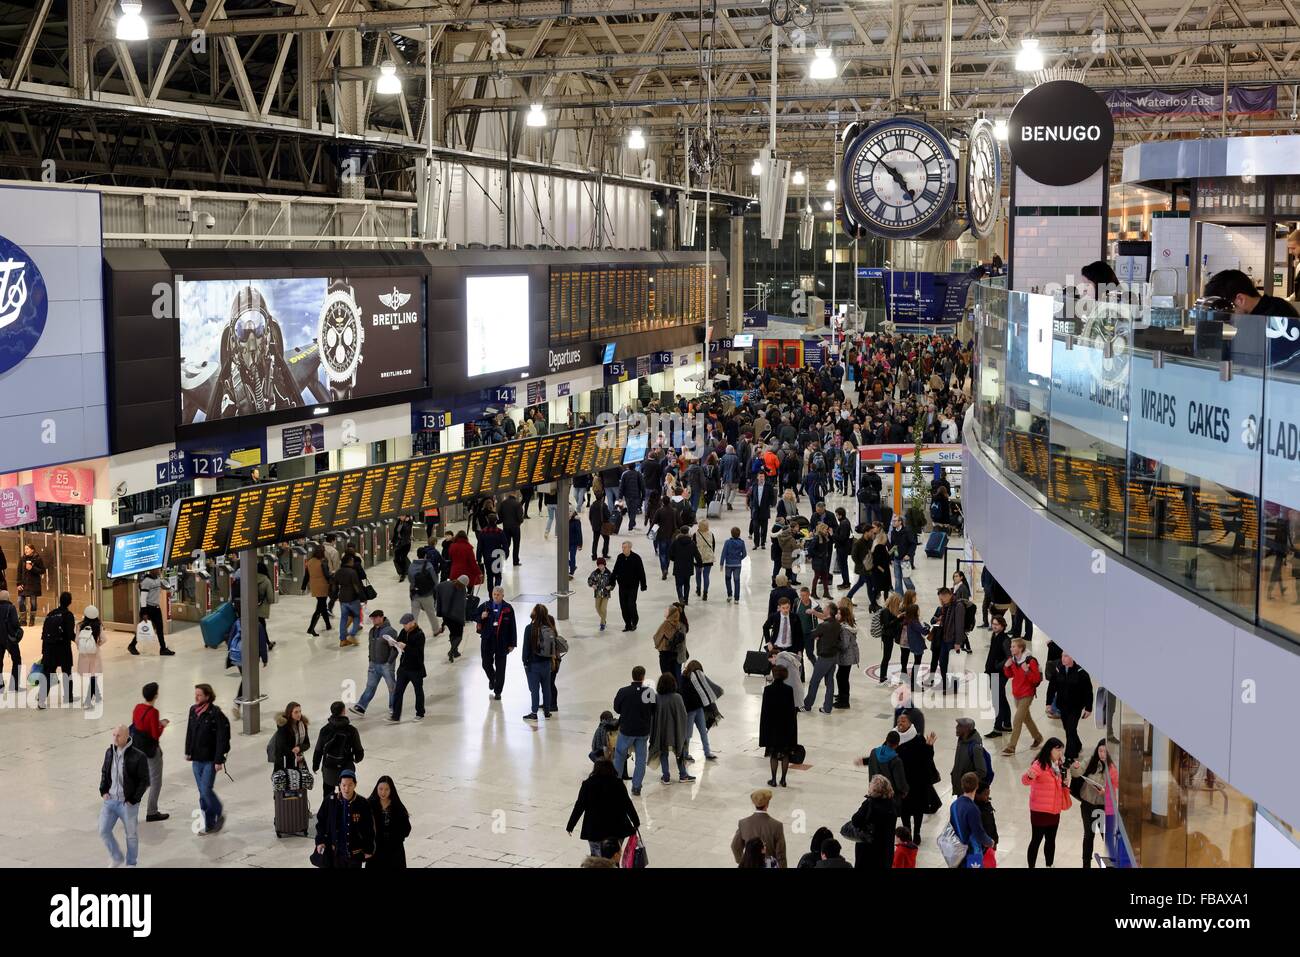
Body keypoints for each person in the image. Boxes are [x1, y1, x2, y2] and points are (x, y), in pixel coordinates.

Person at [566, 758, 641, 858]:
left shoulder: (588, 784)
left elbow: (579, 806)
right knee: (613, 859)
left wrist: (571, 825)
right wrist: (636, 822)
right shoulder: (618, 784)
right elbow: (628, 804)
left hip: (594, 829)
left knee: (597, 860)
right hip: (617, 828)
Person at [98, 725, 149, 867]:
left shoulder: (138, 756)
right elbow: (104, 772)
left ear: (127, 736)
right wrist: (103, 791)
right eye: (113, 734)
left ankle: (131, 863)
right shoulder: (109, 752)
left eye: (118, 735)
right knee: (103, 830)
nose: (115, 738)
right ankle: (116, 857)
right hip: (110, 801)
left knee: (131, 835)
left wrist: (134, 799)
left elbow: (144, 781)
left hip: (127, 803)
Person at [184, 683, 230, 834]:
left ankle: (218, 811)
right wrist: (188, 751)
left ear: (208, 696)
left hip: (210, 760)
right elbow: (190, 732)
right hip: (196, 759)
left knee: (205, 789)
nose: (196, 697)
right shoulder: (193, 710)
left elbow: (221, 738)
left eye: (199, 695)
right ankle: (210, 824)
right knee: (202, 793)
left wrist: (218, 760)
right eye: (195, 694)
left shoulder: (215, 714)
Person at [1023, 738, 1071, 868]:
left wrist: (1065, 784)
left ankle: (1049, 865)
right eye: (1057, 749)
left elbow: (1057, 785)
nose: (1060, 752)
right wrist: (1029, 776)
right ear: (1049, 749)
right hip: (1040, 810)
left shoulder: (1059, 765)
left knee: (1051, 840)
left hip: (1054, 809)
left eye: (1061, 750)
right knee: (1036, 840)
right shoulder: (1039, 764)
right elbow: (1025, 780)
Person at [314, 769, 375, 868]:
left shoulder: (362, 803)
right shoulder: (330, 801)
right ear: (339, 785)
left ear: (355, 785)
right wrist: (320, 841)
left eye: (350, 785)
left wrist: (369, 849)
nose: (346, 789)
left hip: (355, 854)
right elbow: (321, 821)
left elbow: (369, 828)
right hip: (336, 853)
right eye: (344, 785)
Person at [1072, 740, 1118, 868]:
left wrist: (1105, 792)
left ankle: (1111, 864)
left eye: (1105, 751)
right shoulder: (1090, 761)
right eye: (1100, 750)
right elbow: (1076, 773)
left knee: (1106, 837)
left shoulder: (1112, 768)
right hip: (1087, 804)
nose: (1102, 754)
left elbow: (1117, 789)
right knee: (1088, 835)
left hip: (1103, 807)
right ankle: (1086, 864)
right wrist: (1075, 767)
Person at [895, 716, 940, 842]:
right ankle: (907, 832)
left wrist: (929, 746)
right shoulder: (895, 737)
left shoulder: (918, 738)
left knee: (917, 809)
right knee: (904, 810)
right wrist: (867, 760)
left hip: (918, 781)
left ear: (910, 724)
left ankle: (917, 833)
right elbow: (883, 752)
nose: (900, 723)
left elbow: (927, 757)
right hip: (903, 782)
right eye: (898, 721)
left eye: (903, 721)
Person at [612, 666, 655, 797]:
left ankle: (616, 784)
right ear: (643, 677)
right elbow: (653, 710)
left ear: (633, 676)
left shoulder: (623, 691)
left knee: (619, 756)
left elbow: (617, 709)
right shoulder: (649, 692)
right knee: (641, 760)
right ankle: (636, 787)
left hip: (626, 730)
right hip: (642, 731)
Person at [132, 682, 170, 822]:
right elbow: (155, 735)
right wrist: (162, 725)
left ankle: (130, 806)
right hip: (150, 751)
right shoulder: (154, 712)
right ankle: (152, 812)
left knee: (142, 780)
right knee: (155, 781)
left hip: (137, 749)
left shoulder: (137, 708)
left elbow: (137, 725)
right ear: (156, 695)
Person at [350, 610, 398, 717]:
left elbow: (395, 649)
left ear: (382, 617)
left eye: (376, 618)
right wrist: (370, 659)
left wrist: (389, 662)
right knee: (370, 686)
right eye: (372, 618)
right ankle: (361, 707)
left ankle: (394, 708)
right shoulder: (372, 630)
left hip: (386, 665)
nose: (374, 620)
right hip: (373, 664)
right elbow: (371, 646)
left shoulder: (390, 631)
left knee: (392, 687)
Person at [313, 701, 364, 801]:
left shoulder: (325, 730)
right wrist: (356, 759)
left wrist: (315, 765)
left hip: (329, 768)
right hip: (346, 768)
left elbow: (318, 749)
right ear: (343, 711)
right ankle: (345, 813)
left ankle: (328, 813)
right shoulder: (351, 730)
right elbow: (358, 750)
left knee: (328, 794)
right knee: (346, 794)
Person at [649, 673, 694, 784]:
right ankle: (683, 775)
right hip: (676, 733)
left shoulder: (656, 698)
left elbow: (652, 717)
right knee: (679, 752)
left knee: (664, 753)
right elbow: (683, 715)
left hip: (662, 733)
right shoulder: (677, 698)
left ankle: (666, 777)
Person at [1001, 637, 1044, 755]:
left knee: (1017, 720)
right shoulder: (1013, 659)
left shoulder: (1030, 661)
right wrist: (1006, 666)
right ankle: (1038, 737)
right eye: (1011, 646)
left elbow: (1035, 679)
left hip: (1027, 694)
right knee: (1026, 718)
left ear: (1020, 648)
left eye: (1013, 646)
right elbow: (1010, 675)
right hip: (1017, 693)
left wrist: (1027, 671)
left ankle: (1011, 746)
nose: (1011, 648)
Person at [1202, 267, 1299, 319]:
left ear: (1240, 299)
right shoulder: (1253, 315)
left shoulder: (1276, 314)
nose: (1227, 317)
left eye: (1227, 310)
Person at [760, 665, 799, 788]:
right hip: (786, 727)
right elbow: (791, 712)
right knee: (785, 754)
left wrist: (763, 732)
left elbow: (764, 712)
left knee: (773, 755)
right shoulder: (789, 690)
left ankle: (773, 779)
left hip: (772, 728)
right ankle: (783, 779)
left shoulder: (768, 690)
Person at [848, 774, 898, 869]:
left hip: (868, 849)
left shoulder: (869, 805)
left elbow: (855, 820)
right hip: (885, 847)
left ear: (874, 790)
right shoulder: (892, 804)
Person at [36, 591, 77, 709]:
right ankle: (68, 696)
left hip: (49, 648)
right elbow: (70, 634)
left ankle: (41, 699)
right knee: (67, 672)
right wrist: (80, 641)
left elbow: (44, 634)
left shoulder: (50, 614)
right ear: (70, 602)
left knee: (48, 673)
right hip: (63, 648)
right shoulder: (68, 615)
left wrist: (44, 651)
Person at [1051, 652, 1093, 763]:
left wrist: (1088, 708)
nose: (1063, 659)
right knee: (1069, 729)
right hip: (1062, 706)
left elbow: (1088, 692)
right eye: (1062, 656)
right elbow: (1052, 686)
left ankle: (1070, 755)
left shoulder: (1081, 672)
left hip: (1076, 707)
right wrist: (1048, 703)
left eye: (1066, 656)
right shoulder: (1058, 670)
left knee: (1070, 729)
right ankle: (1077, 744)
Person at [477, 586, 517, 700]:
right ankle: (492, 678)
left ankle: (498, 691)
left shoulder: (508, 609)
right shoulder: (485, 606)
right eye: (494, 594)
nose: (496, 596)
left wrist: (512, 643)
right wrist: (481, 616)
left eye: (498, 594)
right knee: (485, 664)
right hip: (487, 639)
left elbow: (512, 627)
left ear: (503, 595)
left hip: (502, 642)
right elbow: (472, 614)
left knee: (501, 668)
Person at [730, 789, 787, 868]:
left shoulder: (743, 823)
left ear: (754, 804)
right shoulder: (777, 826)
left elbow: (735, 846)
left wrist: (743, 860)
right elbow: (781, 854)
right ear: (767, 804)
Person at [521, 604, 560, 721]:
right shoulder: (550, 628)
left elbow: (526, 647)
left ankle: (534, 712)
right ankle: (547, 712)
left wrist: (525, 661)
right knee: (546, 688)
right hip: (547, 663)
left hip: (534, 664)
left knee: (534, 689)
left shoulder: (529, 628)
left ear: (535, 614)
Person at [802, 603, 841, 714]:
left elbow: (813, 635)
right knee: (830, 682)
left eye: (825, 608)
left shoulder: (823, 626)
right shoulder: (837, 624)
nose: (823, 609)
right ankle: (827, 707)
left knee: (814, 681)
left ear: (828, 611)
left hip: (824, 657)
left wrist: (818, 636)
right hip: (833, 656)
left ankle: (807, 705)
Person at [951, 772, 995, 868]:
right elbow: (979, 833)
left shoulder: (954, 805)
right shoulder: (973, 809)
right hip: (971, 852)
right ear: (977, 786)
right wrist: (990, 842)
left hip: (957, 851)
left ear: (962, 785)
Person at [367, 775, 411, 868]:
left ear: (391, 790)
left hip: (394, 850)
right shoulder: (370, 804)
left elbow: (406, 829)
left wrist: (396, 838)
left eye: (387, 789)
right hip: (376, 849)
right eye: (381, 789)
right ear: (376, 788)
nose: (383, 792)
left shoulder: (397, 806)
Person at [681, 660, 721, 763]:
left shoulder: (700, 679)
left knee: (703, 731)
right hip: (689, 711)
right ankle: (685, 754)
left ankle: (707, 752)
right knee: (688, 734)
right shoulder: (684, 679)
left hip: (698, 709)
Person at [389, 613, 427, 722]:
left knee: (418, 691)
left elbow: (418, 653)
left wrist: (406, 646)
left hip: (416, 669)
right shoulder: (403, 632)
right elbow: (398, 644)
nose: (404, 626)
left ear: (412, 622)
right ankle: (396, 716)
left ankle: (420, 713)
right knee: (398, 691)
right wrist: (394, 645)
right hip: (403, 668)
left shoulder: (420, 635)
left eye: (405, 624)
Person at [858, 730, 909, 804]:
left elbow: (871, 770)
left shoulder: (874, 752)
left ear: (886, 740)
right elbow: (899, 782)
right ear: (897, 744)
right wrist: (905, 790)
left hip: (875, 792)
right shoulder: (896, 760)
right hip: (889, 797)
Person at [130, 568, 174, 655]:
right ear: (152, 570)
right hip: (148, 608)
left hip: (156, 608)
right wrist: (144, 613)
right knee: (142, 629)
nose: (159, 570)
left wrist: (167, 587)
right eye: (157, 569)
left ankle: (163, 649)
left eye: (159, 569)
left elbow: (160, 586)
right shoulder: (146, 581)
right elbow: (143, 598)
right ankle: (132, 646)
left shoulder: (157, 579)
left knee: (160, 629)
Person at [983, 616, 1013, 737]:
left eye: (997, 624)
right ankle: (1007, 724)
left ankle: (997, 728)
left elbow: (1009, 657)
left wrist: (998, 665)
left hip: (1000, 673)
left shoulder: (1005, 639)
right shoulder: (995, 636)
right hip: (993, 672)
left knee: (997, 701)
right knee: (1001, 698)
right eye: (993, 623)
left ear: (1003, 626)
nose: (994, 626)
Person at [612, 541, 648, 632]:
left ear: (630, 548)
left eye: (625, 547)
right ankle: (627, 624)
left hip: (633, 586)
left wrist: (643, 585)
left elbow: (641, 572)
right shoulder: (620, 557)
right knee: (623, 606)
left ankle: (634, 622)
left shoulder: (636, 558)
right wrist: (611, 582)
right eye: (622, 547)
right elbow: (615, 570)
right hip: (622, 587)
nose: (623, 549)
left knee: (631, 605)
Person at [331, 554, 365, 648]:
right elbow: (356, 586)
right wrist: (362, 597)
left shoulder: (338, 572)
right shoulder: (352, 572)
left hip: (342, 598)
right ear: (349, 561)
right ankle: (352, 635)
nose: (353, 562)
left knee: (343, 618)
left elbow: (334, 585)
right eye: (352, 560)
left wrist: (334, 596)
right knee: (356, 617)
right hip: (352, 598)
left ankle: (343, 640)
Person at [434, 574, 470, 663]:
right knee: (459, 636)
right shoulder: (462, 590)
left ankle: (455, 651)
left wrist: (439, 601)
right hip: (456, 617)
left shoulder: (444, 584)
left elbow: (437, 588)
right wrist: (463, 618)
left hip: (446, 615)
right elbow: (462, 606)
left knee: (453, 633)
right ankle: (452, 651)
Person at [76, 604, 104, 710]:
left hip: (84, 655)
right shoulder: (98, 626)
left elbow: (77, 640)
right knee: (93, 676)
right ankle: (88, 701)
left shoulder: (79, 625)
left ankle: (98, 696)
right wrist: (96, 645)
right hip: (94, 655)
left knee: (92, 677)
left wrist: (82, 647)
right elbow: (104, 639)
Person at [950, 717, 989, 795]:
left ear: (967, 729)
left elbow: (982, 771)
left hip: (968, 792)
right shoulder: (961, 740)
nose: (956, 727)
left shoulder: (975, 747)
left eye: (960, 726)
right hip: (961, 788)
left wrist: (966, 780)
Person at [407, 546, 440, 635]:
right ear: (425, 555)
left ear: (417, 555)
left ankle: (413, 632)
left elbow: (410, 579)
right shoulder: (429, 565)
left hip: (415, 594)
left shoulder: (411, 566)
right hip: (427, 594)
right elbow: (435, 580)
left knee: (414, 614)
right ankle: (436, 630)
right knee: (431, 613)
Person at [652, 605, 687, 685]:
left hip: (665, 654)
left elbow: (656, 638)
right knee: (675, 675)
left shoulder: (666, 624)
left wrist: (658, 645)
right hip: (675, 654)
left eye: (667, 611)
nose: (665, 611)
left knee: (666, 676)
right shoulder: (681, 625)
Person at [834, 600, 860, 709]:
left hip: (846, 657)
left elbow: (844, 644)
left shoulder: (844, 629)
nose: (837, 615)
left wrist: (835, 643)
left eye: (839, 613)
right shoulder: (847, 625)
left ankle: (844, 701)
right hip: (848, 656)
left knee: (842, 677)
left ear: (843, 616)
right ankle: (842, 696)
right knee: (842, 677)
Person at [302, 544, 333, 636]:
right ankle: (311, 628)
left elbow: (306, 576)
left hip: (314, 586)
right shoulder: (323, 561)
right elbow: (327, 575)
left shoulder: (310, 561)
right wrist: (333, 577)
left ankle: (328, 625)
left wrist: (303, 586)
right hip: (323, 586)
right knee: (319, 608)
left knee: (322, 606)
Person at [16, 543, 45, 626]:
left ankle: (32, 619)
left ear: (32, 550)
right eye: (25, 549)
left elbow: (42, 570)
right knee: (20, 601)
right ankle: (23, 620)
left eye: (27, 549)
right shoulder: (22, 559)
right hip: (23, 584)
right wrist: (18, 583)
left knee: (33, 603)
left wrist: (32, 568)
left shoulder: (37, 558)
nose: (26, 550)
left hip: (33, 584)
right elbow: (19, 571)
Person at [886, 514, 916, 594]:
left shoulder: (907, 531)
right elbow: (893, 546)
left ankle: (911, 592)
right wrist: (892, 558)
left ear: (900, 522)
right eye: (893, 521)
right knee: (897, 578)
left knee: (906, 577)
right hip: (896, 559)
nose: (893, 522)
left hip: (905, 559)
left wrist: (909, 555)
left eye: (895, 521)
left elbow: (913, 544)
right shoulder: (893, 532)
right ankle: (899, 596)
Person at [748, 469, 776, 549]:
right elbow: (751, 496)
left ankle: (763, 543)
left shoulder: (768, 486)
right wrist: (752, 504)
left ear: (764, 477)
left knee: (764, 529)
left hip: (764, 510)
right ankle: (756, 544)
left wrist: (770, 504)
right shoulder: (754, 485)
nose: (761, 478)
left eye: (763, 476)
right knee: (756, 528)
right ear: (757, 477)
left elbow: (772, 497)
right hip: (755, 511)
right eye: (760, 476)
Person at [719, 526, 748, 604]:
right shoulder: (742, 542)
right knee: (737, 580)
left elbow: (723, 553)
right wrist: (739, 559)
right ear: (739, 534)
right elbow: (745, 554)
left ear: (731, 534)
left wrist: (721, 563)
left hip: (728, 564)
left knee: (728, 579)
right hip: (738, 565)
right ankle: (737, 599)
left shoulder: (727, 542)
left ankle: (729, 595)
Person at [692, 519, 717, 601]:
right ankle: (705, 593)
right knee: (706, 576)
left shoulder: (695, 535)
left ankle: (698, 589)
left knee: (698, 574)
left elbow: (693, 547)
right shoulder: (711, 534)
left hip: (698, 558)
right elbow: (713, 546)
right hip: (708, 558)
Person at [0, 590, 20, 692]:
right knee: (17, 660)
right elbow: (15, 623)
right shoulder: (11, 608)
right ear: (8, 598)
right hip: (9, 638)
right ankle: (14, 685)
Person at [587, 557, 614, 632]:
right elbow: (589, 580)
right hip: (598, 593)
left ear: (604, 565)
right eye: (599, 565)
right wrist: (592, 585)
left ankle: (602, 623)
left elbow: (613, 583)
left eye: (602, 565)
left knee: (603, 608)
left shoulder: (609, 573)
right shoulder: (595, 573)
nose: (600, 567)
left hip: (605, 594)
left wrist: (610, 587)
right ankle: (604, 619)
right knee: (597, 607)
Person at [499, 493, 525, 565]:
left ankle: (501, 558)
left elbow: (500, 516)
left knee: (506, 544)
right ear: (515, 495)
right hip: (515, 527)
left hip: (506, 527)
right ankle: (515, 561)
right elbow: (520, 517)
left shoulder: (503, 503)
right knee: (516, 544)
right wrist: (521, 521)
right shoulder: (518, 504)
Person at [588, 495, 611, 562]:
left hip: (595, 526)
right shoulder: (604, 505)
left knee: (595, 541)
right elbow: (608, 515)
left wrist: (592, 524)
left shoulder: (592, 505)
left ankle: (594, 555)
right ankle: (605, 553)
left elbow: (590, 516)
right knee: (606, 539)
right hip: (603, 526)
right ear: (602, 498)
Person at [391, 514, 414, 581]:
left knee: (403, 558)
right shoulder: (399, 521)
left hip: (406, 544)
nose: (400, 517)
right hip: (398, 543)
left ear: (405, 516)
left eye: (402, 516)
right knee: (397, 558)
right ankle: (406, 570)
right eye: (400, 516)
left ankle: (403, 573)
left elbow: (407, 530)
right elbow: (395, 532)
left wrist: (408, 520)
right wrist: (392, 541)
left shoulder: (409, 523)